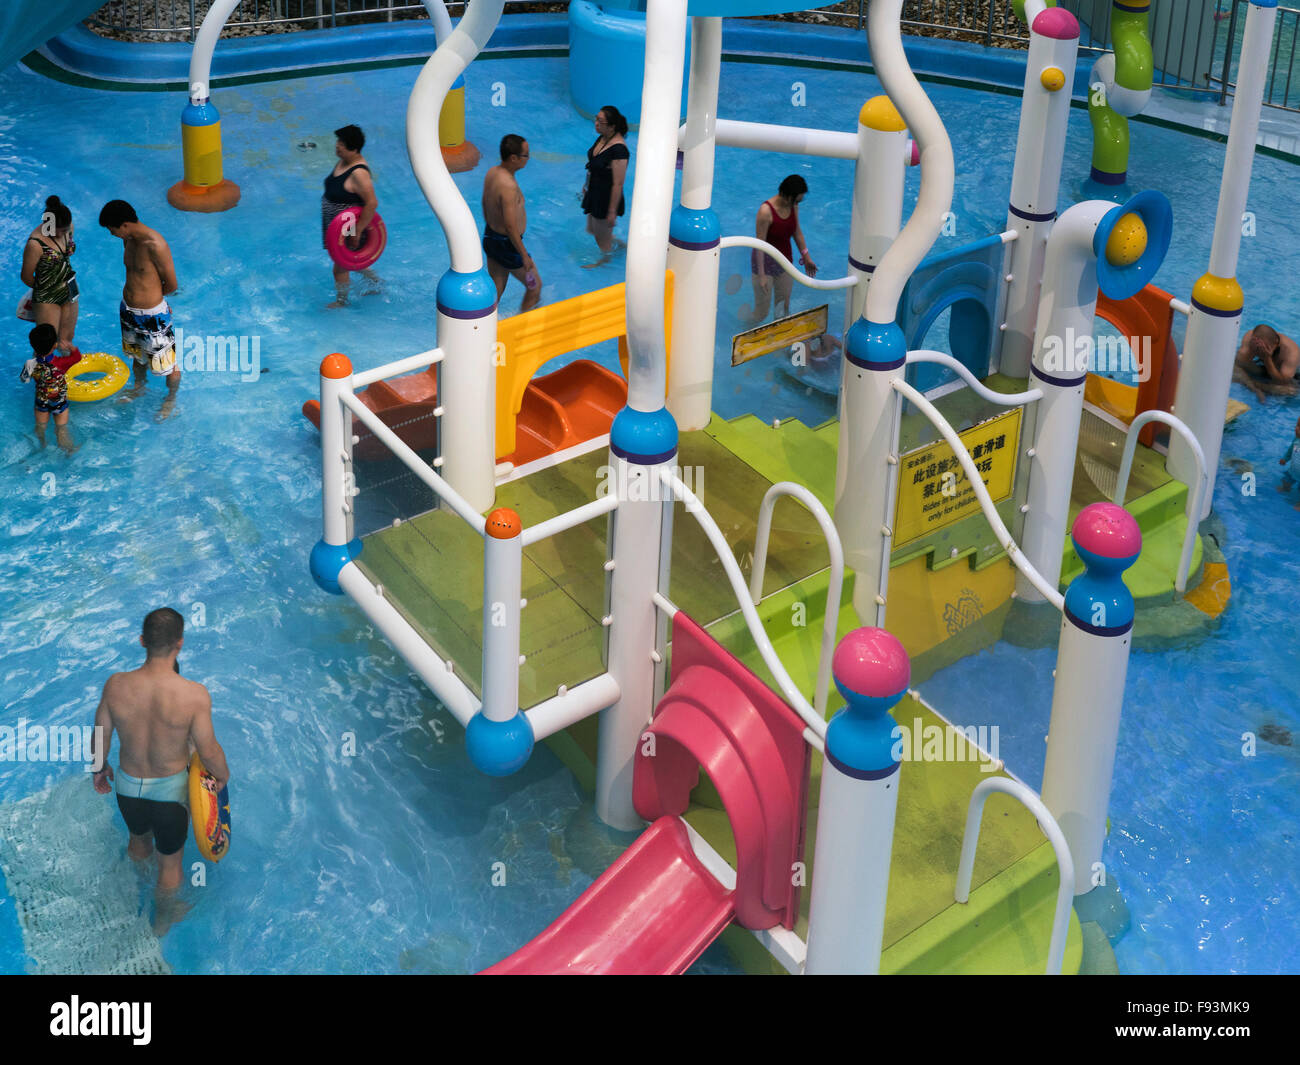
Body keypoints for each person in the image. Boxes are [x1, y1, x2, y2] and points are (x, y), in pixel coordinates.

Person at [90, 608, 230, 905]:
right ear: (180, 643)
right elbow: (208, 749)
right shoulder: (194, 694)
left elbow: (101, 732)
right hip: (169, 793)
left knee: (138, 841)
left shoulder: (115, 684)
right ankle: (163, 922)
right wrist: (222, 775)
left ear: (142, 641)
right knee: (171, 863)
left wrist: (99, 769)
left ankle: (134, 897)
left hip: (128, 787)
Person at [99, 200, 181, 417]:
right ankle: (139, 388)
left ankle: (170, 400)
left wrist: (155, 303)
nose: (112, 234)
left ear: (124, 225)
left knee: (168, 365)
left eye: (112, 229)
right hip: (128, 311)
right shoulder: (128, 240)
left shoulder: (156, 244)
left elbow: (172, 285)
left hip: (153, 316)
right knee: (137, 356)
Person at [321, 124, 380, 308]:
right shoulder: (344, 161)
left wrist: (357, 231)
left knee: (339, 267)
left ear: (353, 149)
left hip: (348, 228)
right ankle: (376, 283)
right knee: (349, 260)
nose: (337, 146)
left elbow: (372, 203)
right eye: (338, 141)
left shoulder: (359, 173)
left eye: (342, 143)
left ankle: (342, 302)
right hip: (335, 223)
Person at [482, 134, 542, 313]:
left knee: (496, 290)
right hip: (508, 244)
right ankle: (522, 332)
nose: (528, 158)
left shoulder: (492, 172)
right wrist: (524, 255)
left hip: (491, 237)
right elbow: (510, 225)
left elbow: (485, 205)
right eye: (526, 155)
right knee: (535, 287)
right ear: (514, 158)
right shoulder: (508, 186)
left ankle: (483, 327)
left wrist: (493, 232)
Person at [749, 175, 817, 322]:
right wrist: (761, 275)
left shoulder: (793, 206)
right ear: (787, 196)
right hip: (764, 266)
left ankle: (779, 340)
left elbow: (796, 232)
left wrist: (806, 257)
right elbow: (759, 244)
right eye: (797, 200)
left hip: (784, 263)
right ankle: (744, 332)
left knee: (782, 309)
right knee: (761, 312)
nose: (798, 203)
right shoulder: (765, 211)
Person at [19, 196, 79, 352]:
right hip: (47, 297)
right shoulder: (36, 244)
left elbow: (67, 254)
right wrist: (47, 288)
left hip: (69, 289)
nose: (65, 233)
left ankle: (64, 374)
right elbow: (26, 276)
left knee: (66, 341)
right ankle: (38, 373)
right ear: (49, 225)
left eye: (67, 229)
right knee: (46, 347)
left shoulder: (68, 226)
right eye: (62, 231)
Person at [19, 323, 81, 453]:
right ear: (55, 345)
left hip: (41, 399)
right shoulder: (61, 363)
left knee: (40, 426)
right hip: (58, 400)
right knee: (61, 427)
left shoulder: (30, 364)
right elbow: (77, 358)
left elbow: (24, 379)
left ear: (33, 346)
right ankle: (68, 449)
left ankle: (41, 446)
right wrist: (71, 347)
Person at [580, 106, 630, 267]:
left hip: (605, 198)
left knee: (601, 239)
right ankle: (620, 245)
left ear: (612, 126)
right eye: (596, 119)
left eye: (600, 122)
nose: (596, 124)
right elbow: (593, 166)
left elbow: (618, 183)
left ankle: (605, 261)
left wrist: (611, 212)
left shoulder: (620, 150)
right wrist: (586, 185)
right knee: (592, 229)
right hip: (594, 191)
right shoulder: (602, 137)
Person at [1233, 323, 1300, 400]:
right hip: (1263, 369)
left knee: (1290, 391)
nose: (1261, 351)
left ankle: (1255, 384)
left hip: (1289, 375)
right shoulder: (1251, 339)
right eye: (1258, 349)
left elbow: (1282, 382)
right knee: (1234, 367)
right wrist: (1252, 351)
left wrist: (1267, 358)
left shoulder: (1291, 353)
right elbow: (1239, 363)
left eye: (1266, 348)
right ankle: (1253, 386)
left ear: (1276, 343)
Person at [1279, 415, 1300, 509]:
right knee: (1286, 480)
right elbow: (1290, 450)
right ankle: (1286, 488)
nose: (1296, 428)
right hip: (1293, 471)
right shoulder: (1296, 440)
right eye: (1298, 425)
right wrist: (1285, 459)